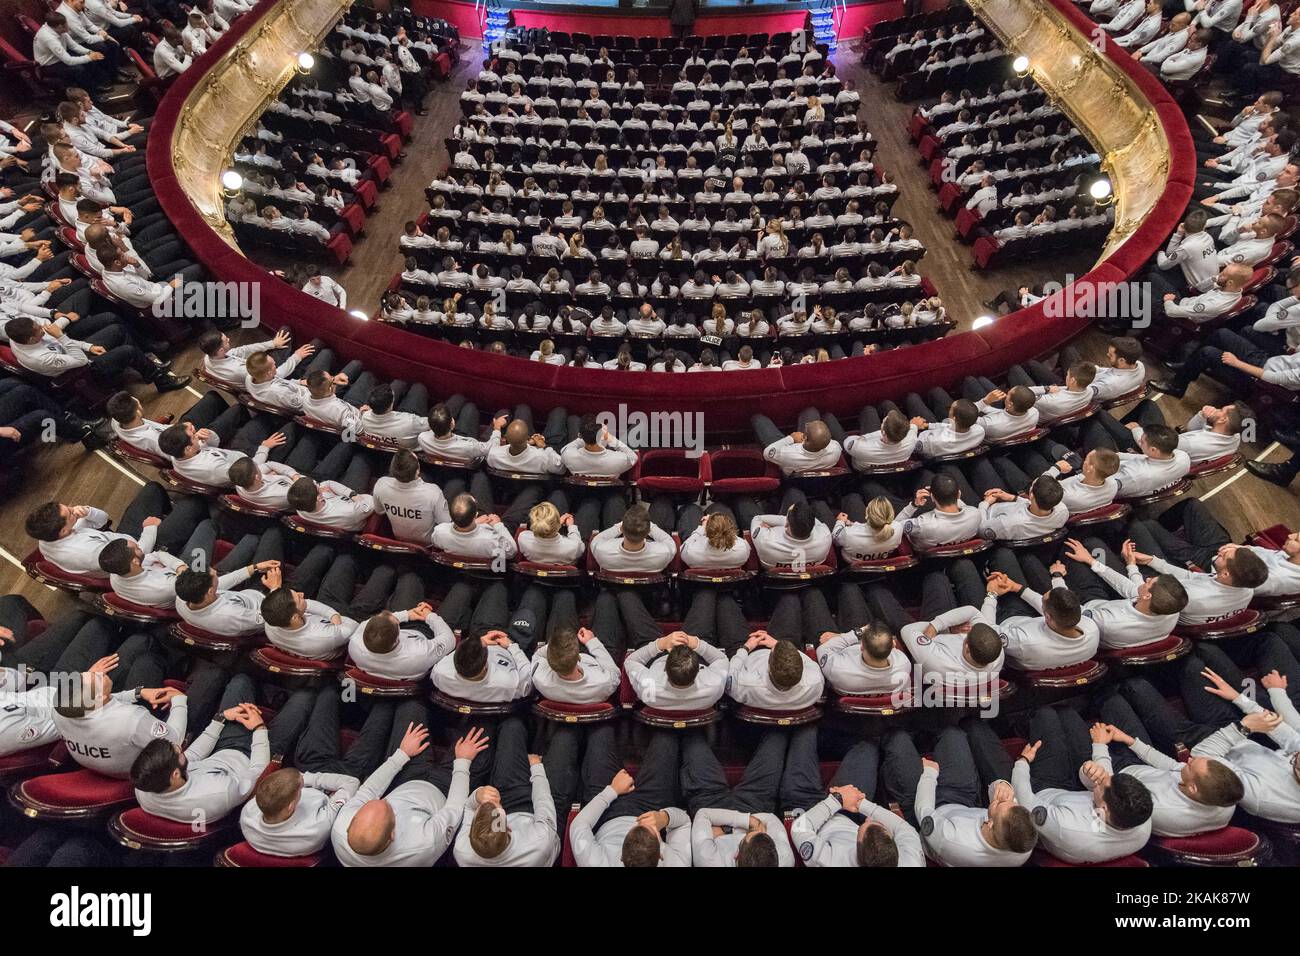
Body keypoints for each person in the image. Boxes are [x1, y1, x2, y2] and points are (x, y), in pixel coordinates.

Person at [333, 709, 489, 867]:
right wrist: (463, 761)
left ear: (350, 824)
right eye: (390, 808)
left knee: (411, 706)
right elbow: (454, 808)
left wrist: (402, 754)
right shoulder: (424, 844)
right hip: (445, 789)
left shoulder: (341, 826)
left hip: (405, 780)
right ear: (392, 835)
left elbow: (369, 791)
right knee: (484, 722)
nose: (388, 803)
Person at [1012, 705, 1154, 863]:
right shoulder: (1142, 821)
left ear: (1104, 808)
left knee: (1045, 715)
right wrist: (1090, 772)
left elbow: (1025, 800)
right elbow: (1106, 781)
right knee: (1068, 713)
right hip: (1076, 791)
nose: (1103, 777)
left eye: (1102, 784)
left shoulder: (1068, 827)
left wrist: (1023, 762)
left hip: (1045, 790)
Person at [454, 716, 562, 867]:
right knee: (565, 740)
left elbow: (468, 807)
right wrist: (536, 767)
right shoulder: (539, 842)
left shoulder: (463, 850)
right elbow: (544, 801)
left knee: (512, 726)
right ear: (510, 828)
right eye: (496, 805)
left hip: (510, 799)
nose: (492, 802)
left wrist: (478, 795)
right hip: (543, 818)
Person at [681, 729, 794, 867]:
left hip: (712, 804)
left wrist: (747, 826)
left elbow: (703, 814)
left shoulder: (709, 861)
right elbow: (771, 818)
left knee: (692, 737)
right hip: (754, 806)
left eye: (750, 835)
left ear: (736, 854)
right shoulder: (784, 859)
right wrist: (742, 826)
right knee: (777, 736)